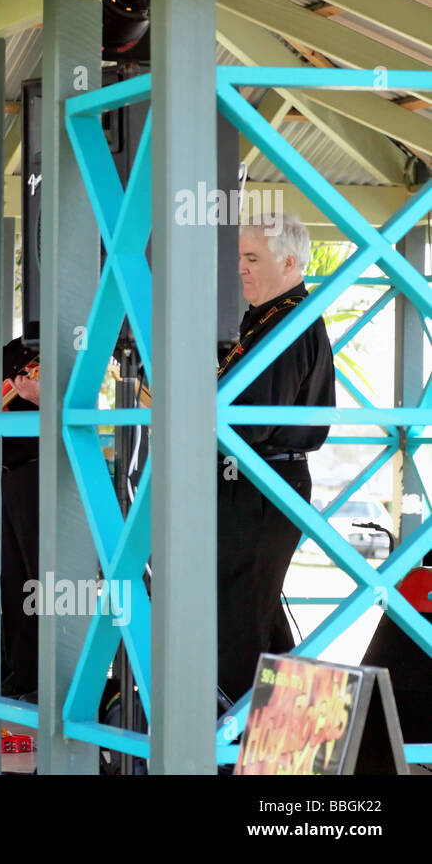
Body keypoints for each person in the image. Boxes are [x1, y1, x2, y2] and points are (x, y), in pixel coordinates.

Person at [217, 214, 335, 702]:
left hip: (266, 477)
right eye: (239, 257)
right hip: (250, 475)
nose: (240, 269)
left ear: (289, 263)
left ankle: (239, 730)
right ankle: (285, 725)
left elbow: (253, 421)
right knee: (251, 608)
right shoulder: (260, 320)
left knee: (242, 613)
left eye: (252, 258)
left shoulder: (288, 322)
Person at [0, 333, 41, 700]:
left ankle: (50, 678)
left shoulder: (74, 344)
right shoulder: (13, 350)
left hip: (41, 472)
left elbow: (89, 403)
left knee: (42, 578)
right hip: (5, 474)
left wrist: (36, 397)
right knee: (12, 583)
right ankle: (22, 674)